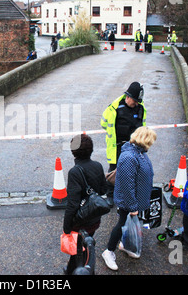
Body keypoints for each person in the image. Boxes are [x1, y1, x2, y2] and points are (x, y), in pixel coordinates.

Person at [101, 126, 157, 271]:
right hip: (129, 201)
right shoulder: (130, 157)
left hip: (136, 199)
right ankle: (108, 251)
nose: (151, 145)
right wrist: (132, 207)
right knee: (121, 225)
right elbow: (127, 184)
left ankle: (124, 245)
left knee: (126, 223)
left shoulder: (139, 152)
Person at [62, 134, 107, 274]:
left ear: (73, 151)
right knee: (88, 242)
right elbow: (103, 190)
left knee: (77, 247)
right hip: (94, 216)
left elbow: (72, 204)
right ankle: (73, 268)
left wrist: (67, 227)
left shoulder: (74, 172)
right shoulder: (98, 166)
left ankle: (76, 270)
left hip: (80, 220)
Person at [100, 82, 147, 206]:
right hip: (117, 146)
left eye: (138, 101)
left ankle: (127, 195)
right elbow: (103, 123)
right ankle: (110, 195)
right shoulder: (114, 108)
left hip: (133, 147)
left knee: (133, 171)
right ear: (128, 96)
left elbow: (143, 126)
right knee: (113, 172)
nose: (136, 103)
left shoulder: (140, 108)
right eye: (135, 101)